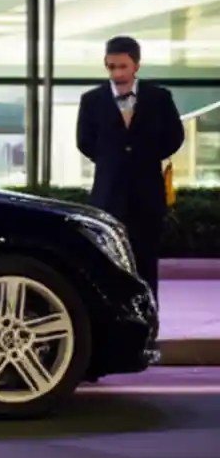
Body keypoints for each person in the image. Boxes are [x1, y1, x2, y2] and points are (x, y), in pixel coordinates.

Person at [76, 35, 184, 298]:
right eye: (111, 66)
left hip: (147, 194)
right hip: (108, 195)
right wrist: (111, 161)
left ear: (136, 65)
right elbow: (84, 141)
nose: (116, 73)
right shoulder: (91, 100)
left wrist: (144, 158)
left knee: (146, 263)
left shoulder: (159, 98)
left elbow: (174, 136)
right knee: (108, 264)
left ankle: (149, 321)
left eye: (122, 66)